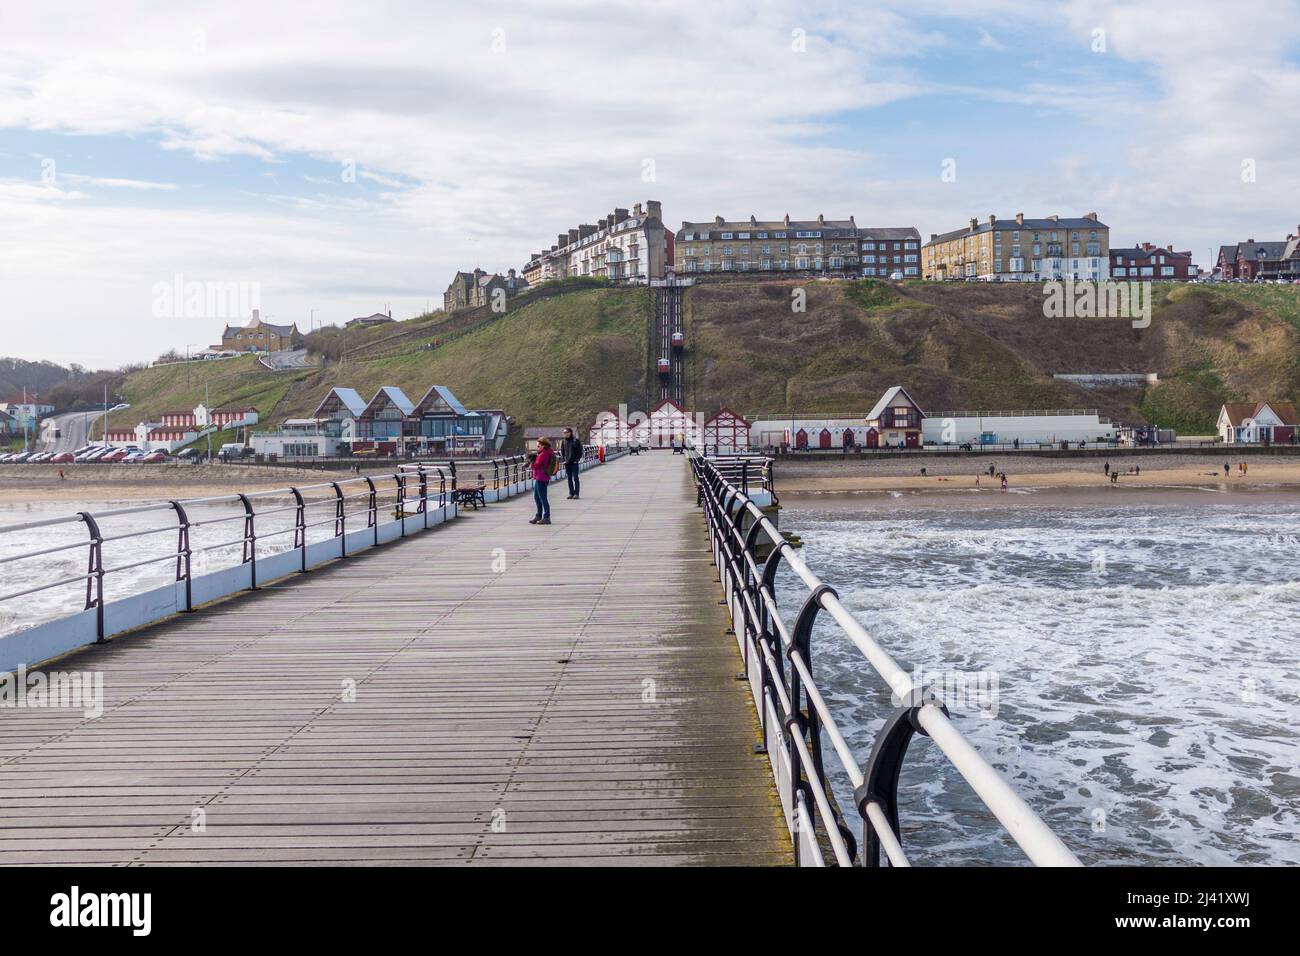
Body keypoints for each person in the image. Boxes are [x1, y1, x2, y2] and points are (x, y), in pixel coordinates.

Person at [529, 438, 555, 525]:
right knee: (537, 497)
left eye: (538, 446)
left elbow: (536, 466)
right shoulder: (545, 453)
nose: (537, 448)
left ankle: (546, 517)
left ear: (543, 445)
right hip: (541, 477)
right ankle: (538, 515)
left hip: (541, 477)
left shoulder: (543, 454)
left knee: (543, 498)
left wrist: (532, 460)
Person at [560, 427, 583, 500]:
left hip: (574, 463)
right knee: (569, 479)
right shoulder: (563, 441)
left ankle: (576, 494)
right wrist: (563, 460)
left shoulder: (575, 440)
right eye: (564, 433)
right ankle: (571, 493)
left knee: (575, 478)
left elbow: (580, 452)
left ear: (570, 432)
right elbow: (562, 452)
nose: (565, 434)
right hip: (567, 463)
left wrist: (577, 460)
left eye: (566, 432)